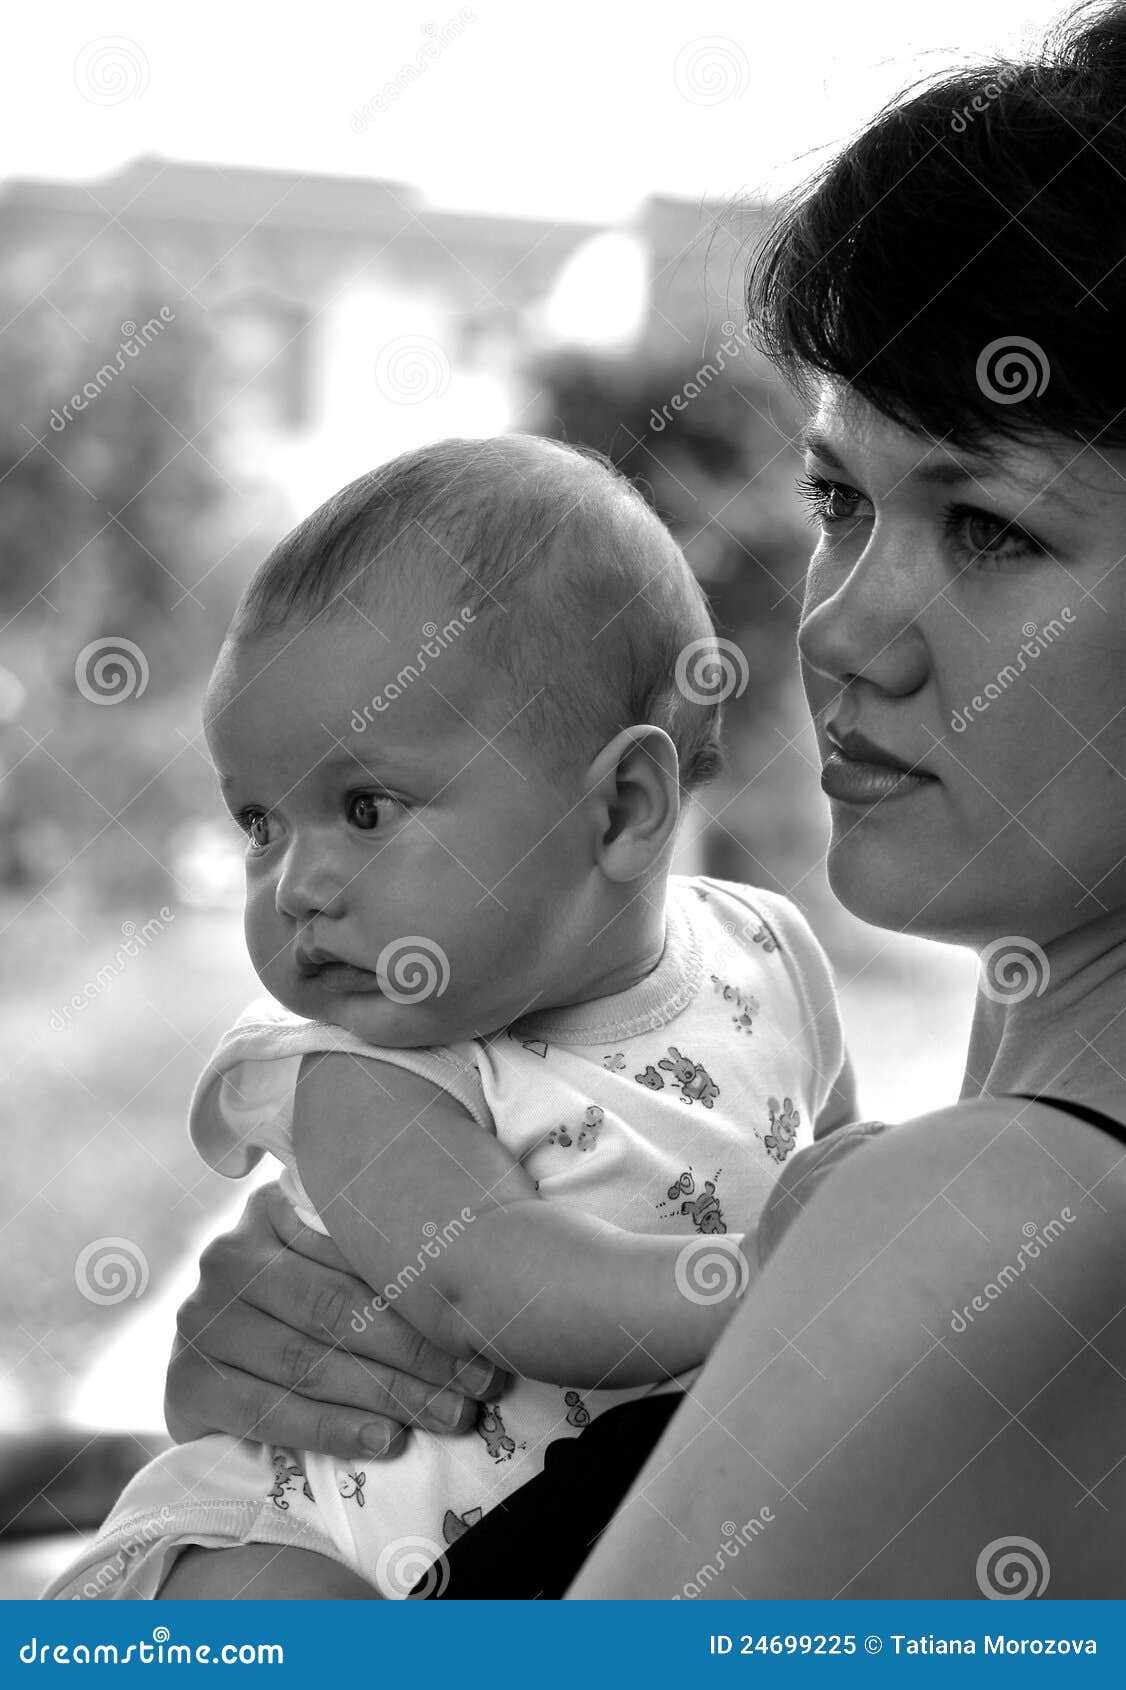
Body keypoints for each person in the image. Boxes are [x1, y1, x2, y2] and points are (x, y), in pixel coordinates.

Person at [150, 0, 1126, 1601]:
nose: (838, 626)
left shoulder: (997, 1206)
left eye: (995, 529)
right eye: (839, 497)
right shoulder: (934, 1150)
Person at [44, 436, 854, 1601]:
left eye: (363, 807)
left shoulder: (769, 953)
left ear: (624, 805)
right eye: (262, 823)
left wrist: (849, 1216)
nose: (297, 885)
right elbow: (489, 1279)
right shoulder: (353, 1063)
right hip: (295, 1533)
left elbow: (828, 1173)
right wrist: (774, 1275)